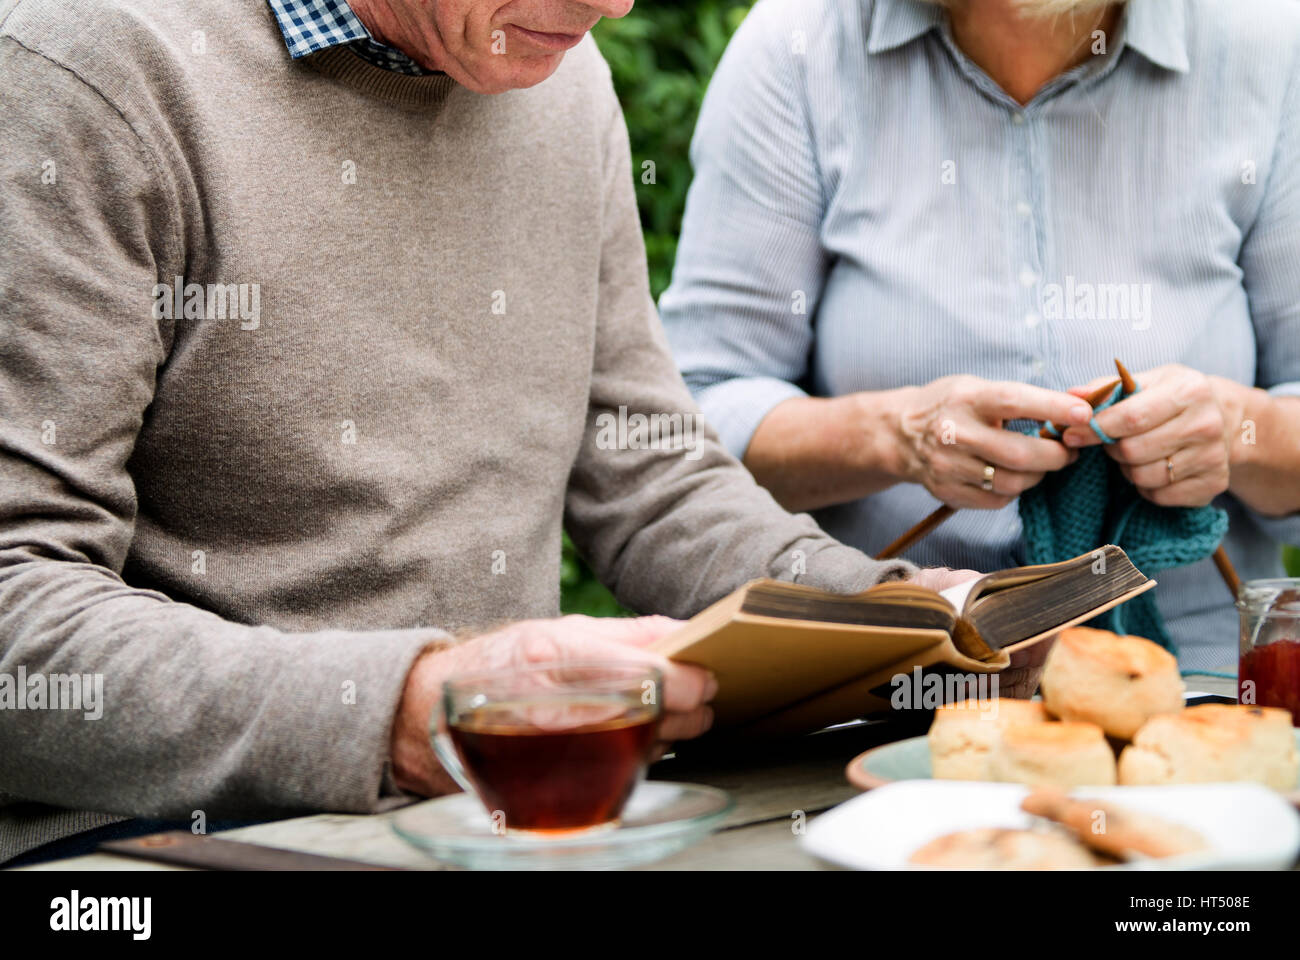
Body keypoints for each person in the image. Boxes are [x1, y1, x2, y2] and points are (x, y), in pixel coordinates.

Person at [0, 0, 979, 865]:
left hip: (518, 818)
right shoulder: (89, 65)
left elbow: (648, 475)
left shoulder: (555, 72)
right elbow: (17, 615)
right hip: (163, 840)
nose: (612, 4)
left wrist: (905, 622)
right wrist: (405, 707)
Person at [662, 0, 1300, 671]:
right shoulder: (798, 45)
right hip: (889, 673)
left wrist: (1234, 429)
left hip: (1197, 688)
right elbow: (690, 422)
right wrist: (895, 434)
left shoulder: (1266, 45)